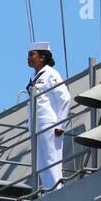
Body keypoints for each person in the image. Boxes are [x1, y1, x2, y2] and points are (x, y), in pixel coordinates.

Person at [26, 42, 73, 192]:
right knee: (41, 162)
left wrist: (60, 125)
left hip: (49, 124)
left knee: (51, 158)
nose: (29, 58)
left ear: (42, 57)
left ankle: (56, 189)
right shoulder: (34, 76)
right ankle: (48, 190)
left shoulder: (51, 74)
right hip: (37, 125)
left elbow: (65, 98)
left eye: (32, 54)